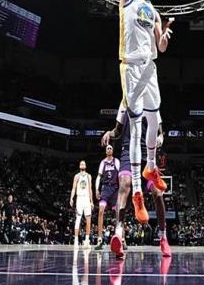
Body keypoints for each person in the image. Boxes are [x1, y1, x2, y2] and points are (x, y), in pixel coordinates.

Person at [113, 0, 174, 224]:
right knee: (135, 126)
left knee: (153, 119)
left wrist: (164, 38)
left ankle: (151, 167)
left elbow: (161, 47)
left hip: (150, 67)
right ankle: (137, 192)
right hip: (130, 67)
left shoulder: (154, 11)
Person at [102, 103, 171, 258]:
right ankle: (118, 233)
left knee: (158, 193)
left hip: (147, 155)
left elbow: (160, 133)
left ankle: (163, 238)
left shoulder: (151, 101)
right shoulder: (125, 103)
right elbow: (117, 131)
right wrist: (109, 133)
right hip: (128, 152)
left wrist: (159, 140)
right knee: (124, 184)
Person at [94, 146, 120, 250]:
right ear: (105, 151)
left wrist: (121, 190)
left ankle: (121, 239)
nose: (109, 149)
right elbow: (99, 176)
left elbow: (120, 175)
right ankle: (100, 240)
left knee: (118, 213)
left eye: (110, 148)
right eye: (107, 148)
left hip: (114, 189)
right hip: (105, 189)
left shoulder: (116, 161)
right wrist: (96, 189)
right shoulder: (103, 162)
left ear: (112, 151)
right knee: (101, 211)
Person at [70, 160, 94, 248]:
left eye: (83, 164)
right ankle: (76, 240)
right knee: (78, 219)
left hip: (86, 198)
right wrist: (71, 198)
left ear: (85, 166)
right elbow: (73, 188)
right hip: (79, 198)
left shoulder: (89, 176)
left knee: (88, 220)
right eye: (81, 164)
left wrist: (91, 201)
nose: (82, 165)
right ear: (79, 166)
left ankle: (87, 240)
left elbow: (90, 189)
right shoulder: (76, 176)